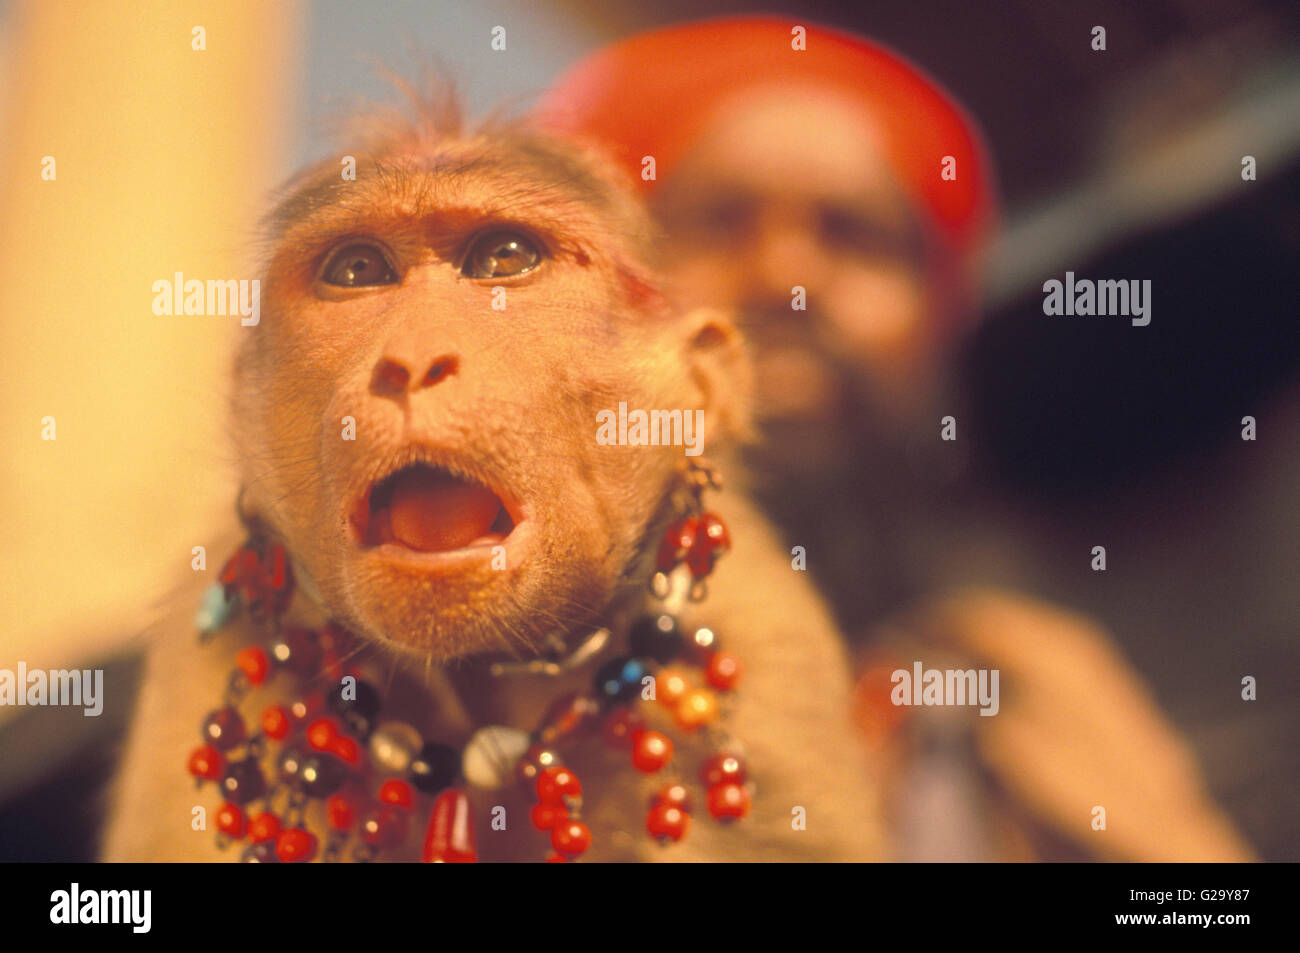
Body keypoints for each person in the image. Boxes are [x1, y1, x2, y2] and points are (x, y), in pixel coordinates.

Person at [536, 16, 1253, 861]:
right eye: (715, 221)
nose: (790, 278)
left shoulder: (1026, 688)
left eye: (859, 234)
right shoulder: (435, 707)